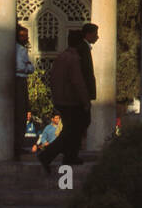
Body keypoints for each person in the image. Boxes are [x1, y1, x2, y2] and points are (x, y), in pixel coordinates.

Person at [41, 23, 97, 173]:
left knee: (72, 130)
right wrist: (85, 101)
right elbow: (77, 81)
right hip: (72, 101)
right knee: (72, 131)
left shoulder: (62, 56)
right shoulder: (73, 58)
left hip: (62, 100)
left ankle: (70, 157)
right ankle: (47, 155)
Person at [15, 26, 35, 157]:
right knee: (19, 114)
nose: (26, 38)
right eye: (22, 35)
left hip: (21, 81)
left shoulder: (21, 49)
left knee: (21, 114)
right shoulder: (20, 50)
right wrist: (28, 66)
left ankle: (18, 145)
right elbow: (25, 67)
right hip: (19, 81)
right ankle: (16, 146)